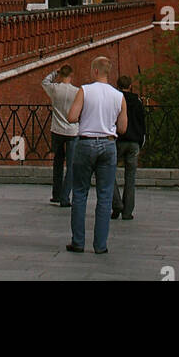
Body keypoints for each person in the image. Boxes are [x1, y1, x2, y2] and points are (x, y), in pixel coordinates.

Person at [65, 56, 127, 254]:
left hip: (85, 143)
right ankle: (100, 245)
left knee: (80, 193)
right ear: (108, 72)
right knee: (105, 196)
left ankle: (78, 242)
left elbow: (72, 117)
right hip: (109, 145)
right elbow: (123, 128)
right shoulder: (119, 96)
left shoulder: (85, 90)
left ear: (95, 71)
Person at [41, 64, 79, 207]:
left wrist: (54, 73)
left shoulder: (55, 89)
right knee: (71, 165)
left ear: (61, 75)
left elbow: (44, 82)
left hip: (56, 129)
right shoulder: (76, 91)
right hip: (72, 131)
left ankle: (56, 195)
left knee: (57, 162)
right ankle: (65, 197)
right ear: (71, 75)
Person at [111, 75, 146, 221]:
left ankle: (117, 204)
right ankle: (127, 211)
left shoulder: (116, 100)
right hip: (134, 142)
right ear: (130, 85)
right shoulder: (138, 101)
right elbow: (142, 122)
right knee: (130, 178)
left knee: (109, 173)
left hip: (118, 141)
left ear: (117, 85)